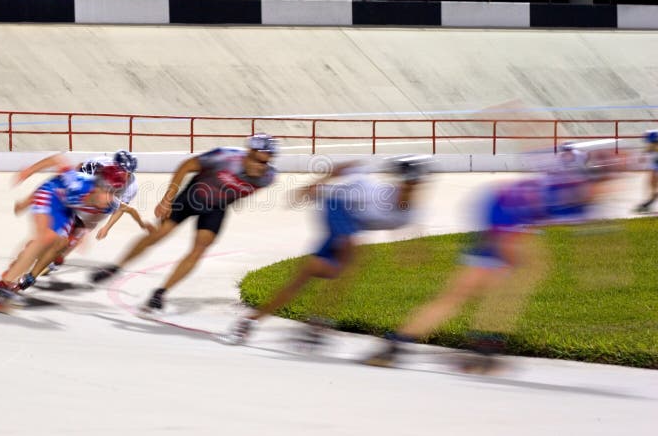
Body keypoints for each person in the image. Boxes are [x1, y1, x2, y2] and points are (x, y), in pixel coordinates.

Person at [361, 148, 618, 371]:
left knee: (474, 289)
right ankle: (479, 345)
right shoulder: (568, 192)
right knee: (508, 278)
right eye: (605, 183)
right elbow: (525, 200)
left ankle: (405, 342)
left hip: (508, 215)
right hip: (500, 212)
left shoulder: (586, 200)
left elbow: (591, 230)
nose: (609, 190)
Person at [220, 155, 432, 346]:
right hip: (335, 208)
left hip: (347, 226)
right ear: (399, 182)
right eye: (406, 186)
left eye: (413, 188)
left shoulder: (410, 213)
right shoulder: (370, 190)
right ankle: (319, 323)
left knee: (308, 274)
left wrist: (411, 251)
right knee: (355, 254)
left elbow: (409, 233)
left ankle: (250, 322)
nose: (408, 193)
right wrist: (312, 186)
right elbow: (348, 168)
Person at [90, 133, 279, 315]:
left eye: (266, 162)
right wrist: (167, 200)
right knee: (158, 234)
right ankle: (116, 267)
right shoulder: (224, 157)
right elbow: (186, 166)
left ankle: (160, 293)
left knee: (199, 248)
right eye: (259, 161)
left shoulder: (268, 178)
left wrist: (229, 198)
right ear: (249, 153)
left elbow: (244, 190)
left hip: (216, 207)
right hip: (192, 197)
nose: (262, 167)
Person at [0, 153, 119, 313]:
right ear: (97, 187)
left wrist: (82, 235)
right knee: (46, 237)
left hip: (66, 208)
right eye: (108, 192)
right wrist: (28, 172)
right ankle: (2, 286)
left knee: (61, 244)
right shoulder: (77, 183)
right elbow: (56, 159)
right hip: (50, 192)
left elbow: (91, 221)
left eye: (114, 193)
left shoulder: (108, 206)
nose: (111, 198)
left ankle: (21, 275)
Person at [15, 151, 153, 288]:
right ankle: (42, 254)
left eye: (129, 173)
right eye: (123, 171)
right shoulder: (100, 164)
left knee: (72, 239)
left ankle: (54, 259)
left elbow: (123, 209)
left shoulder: (131, 187)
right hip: (83, 199)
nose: (125, 176)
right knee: (58, 234)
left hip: (97, 209)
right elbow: (79, 168)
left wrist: (107, 227)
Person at [635, 130, 658, 213]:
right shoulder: (651, 148)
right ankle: (648, 203)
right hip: (654, 169)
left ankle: (648, 203)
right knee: (652, 186)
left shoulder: (653, 147)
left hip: (655, 170)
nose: (648, 144)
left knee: (653, 186)